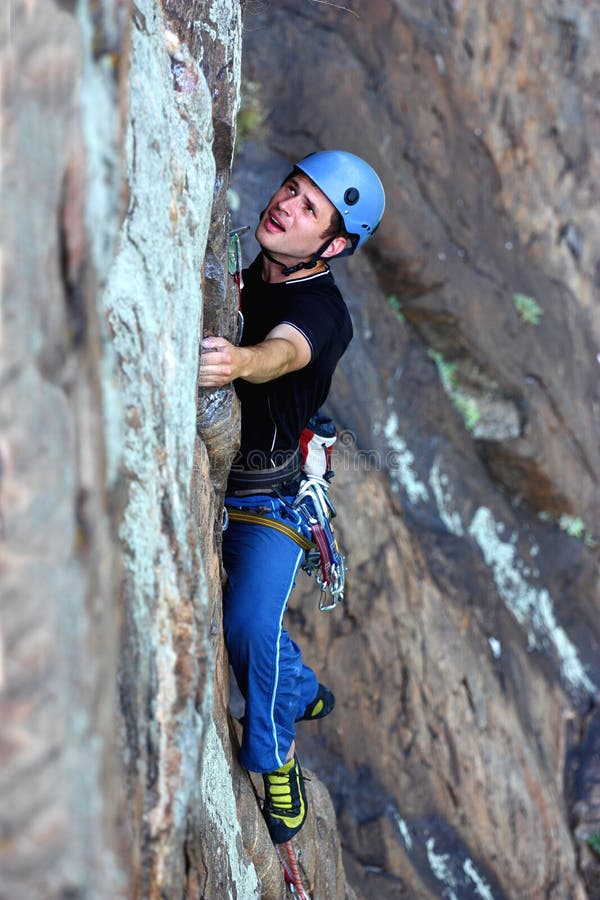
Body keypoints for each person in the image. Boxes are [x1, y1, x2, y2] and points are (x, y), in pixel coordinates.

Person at [198, 150, 385, 844]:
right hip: (231, 478)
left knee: (249, 627)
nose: (285, 204)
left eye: (310, 209)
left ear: (331, 246)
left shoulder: (324, 313)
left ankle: (276, 758)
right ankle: (301, 689)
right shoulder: (247, 272)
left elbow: (286, 350)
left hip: (268, 499)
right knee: (255, 632)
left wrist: (240, 362)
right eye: (292, 188)